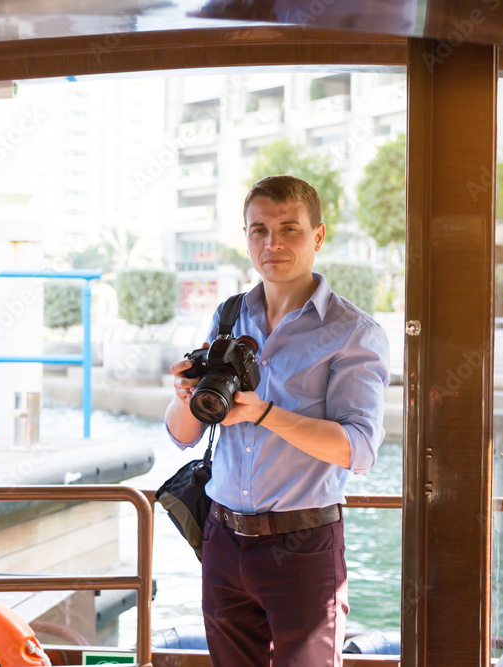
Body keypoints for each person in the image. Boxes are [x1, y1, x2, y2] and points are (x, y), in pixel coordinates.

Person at [164, 174, 390, 667]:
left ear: (319, 236)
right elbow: (181, 435)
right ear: (246, 237)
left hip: (303, 544)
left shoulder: (353, 333)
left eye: (290, 228)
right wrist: (185, 394)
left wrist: (264, 413)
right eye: (259, 230)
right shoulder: (228, 318)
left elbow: (360, 450)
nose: (273, 243)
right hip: (221, 539)